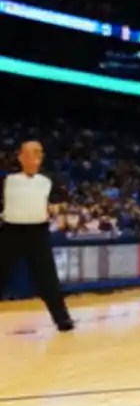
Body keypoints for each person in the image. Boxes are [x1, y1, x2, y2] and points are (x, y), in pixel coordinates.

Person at [0, 141, 74, 331]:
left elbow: (64, 201)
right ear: (20, 157)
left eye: (39, 153)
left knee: (48, 279)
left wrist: (57, 207)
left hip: (38, 233)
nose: (36, 157)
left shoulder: (49, 180)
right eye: (32, 153)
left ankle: (62, 320)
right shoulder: (7, 179)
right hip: (10, 231)